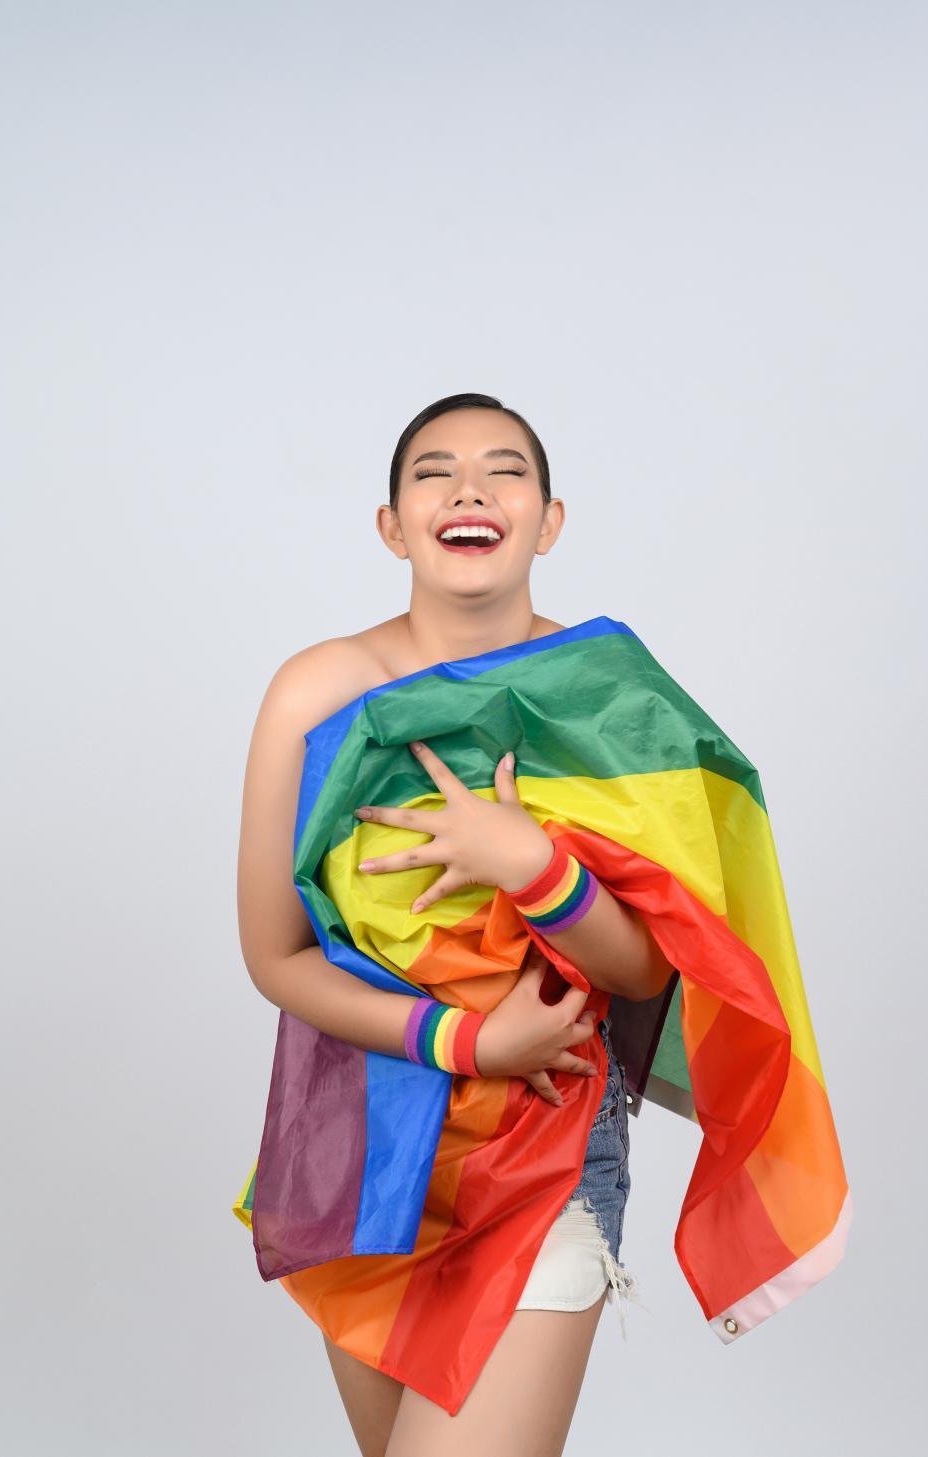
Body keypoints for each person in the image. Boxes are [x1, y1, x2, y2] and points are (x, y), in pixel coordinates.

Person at [236, 392, 676, 1456]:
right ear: (393, 525)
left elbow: (648, 966)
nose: (468, 488)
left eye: (503, 470)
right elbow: (274, 952)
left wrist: (531, 865)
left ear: (548, 520)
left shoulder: (607, 696)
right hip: (363, 1147)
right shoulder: (315, 690)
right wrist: (466, 1038)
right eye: (433, 471)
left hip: (540, 1144)